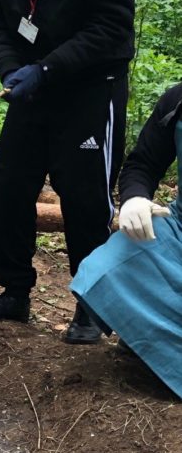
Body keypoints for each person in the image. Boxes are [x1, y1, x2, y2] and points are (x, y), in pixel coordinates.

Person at [0, 0, 135, 344]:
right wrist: (8, 68)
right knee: (10, 185)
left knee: (85, 198)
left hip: (90, 87)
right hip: (28, 86)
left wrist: (47, 68)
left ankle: (93, 304)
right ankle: (14, 290)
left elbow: (112, 27)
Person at [71, 84, 182, 398]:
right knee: (104, 269)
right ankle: (145, 337)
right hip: (179, 231)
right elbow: (142, 164)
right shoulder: (177, 100)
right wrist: (134, 199)